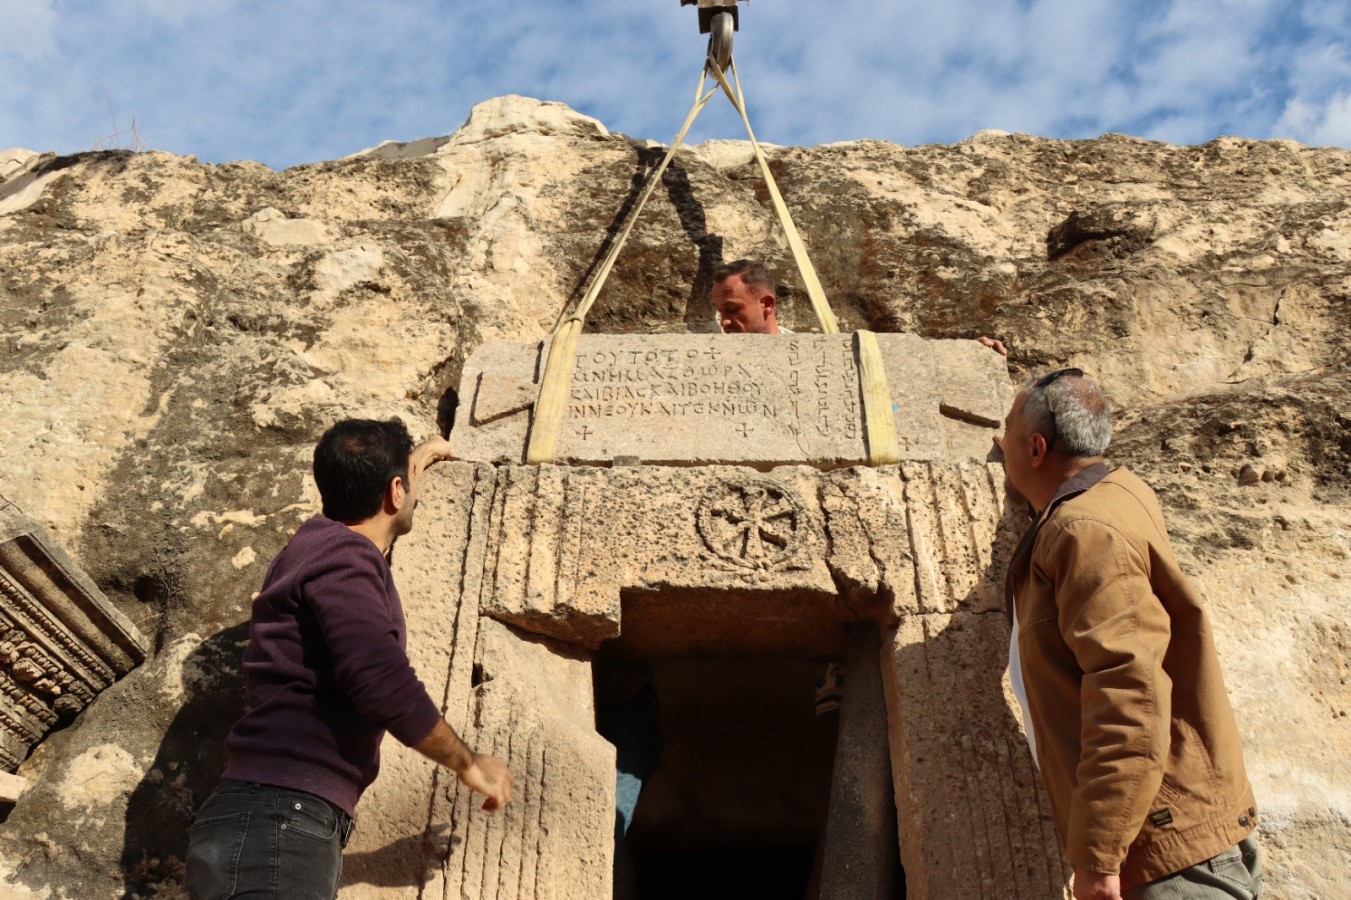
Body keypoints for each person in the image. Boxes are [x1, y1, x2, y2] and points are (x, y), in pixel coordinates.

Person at [186, 418, 512, 900]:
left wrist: (413, 463)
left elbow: (376, 522)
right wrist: (467, 762)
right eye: (406, 483)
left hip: (266, 821)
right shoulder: (344, 558)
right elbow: (377, 675)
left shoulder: (315, 548)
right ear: (395, 491)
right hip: (280, 819)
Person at [997, 369, 1261, 900]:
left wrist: (1098, 854)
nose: (997, 442)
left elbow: (1130, 696)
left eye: (1005, 432)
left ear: (1036, 448)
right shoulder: (1116, 493)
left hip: (1164, 852)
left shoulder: (1082, 532)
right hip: (1177, 835)